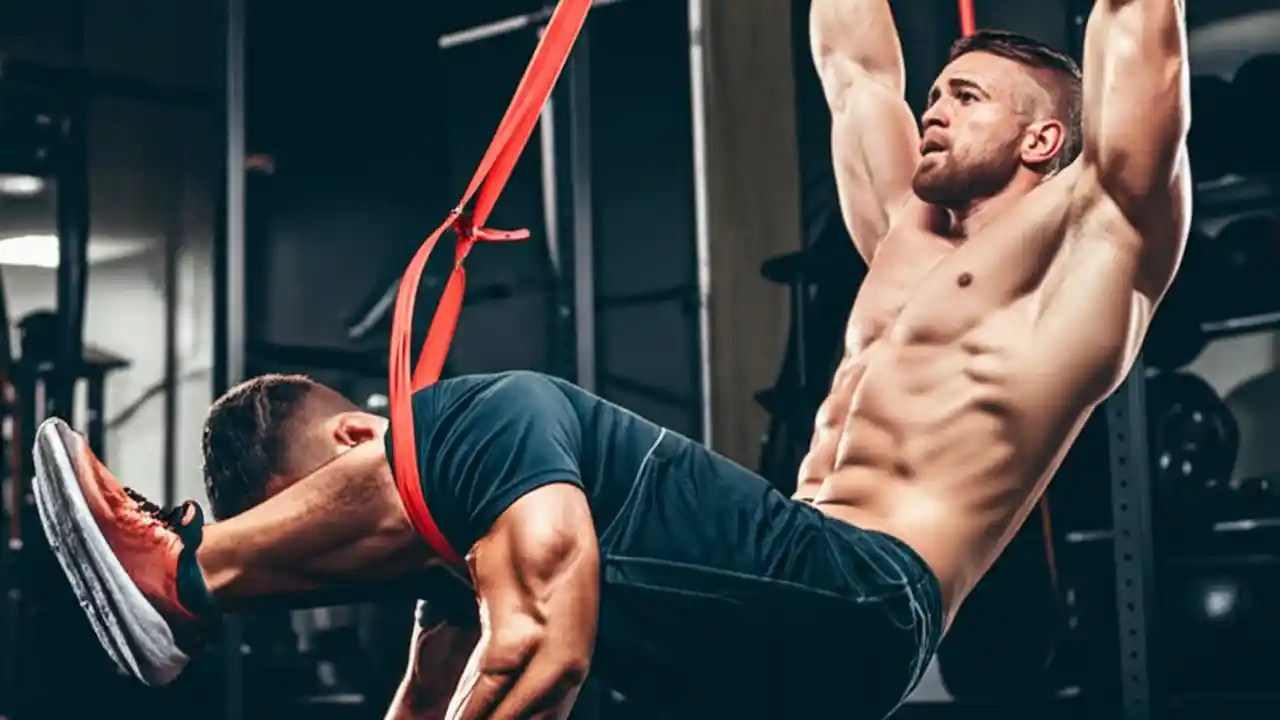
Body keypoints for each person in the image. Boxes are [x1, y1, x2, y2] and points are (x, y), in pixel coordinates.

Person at [32, 0, 1192, 717]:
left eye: (967, 94)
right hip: (770, 618)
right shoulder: (904, 237)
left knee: (501, 415)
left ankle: (183, 580)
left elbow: (1140, 39)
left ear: (1044, 136)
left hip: (860, 598)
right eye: (934, 89)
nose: (932, 106)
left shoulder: (1098, 236)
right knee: (466, 528)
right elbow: (852, 63)